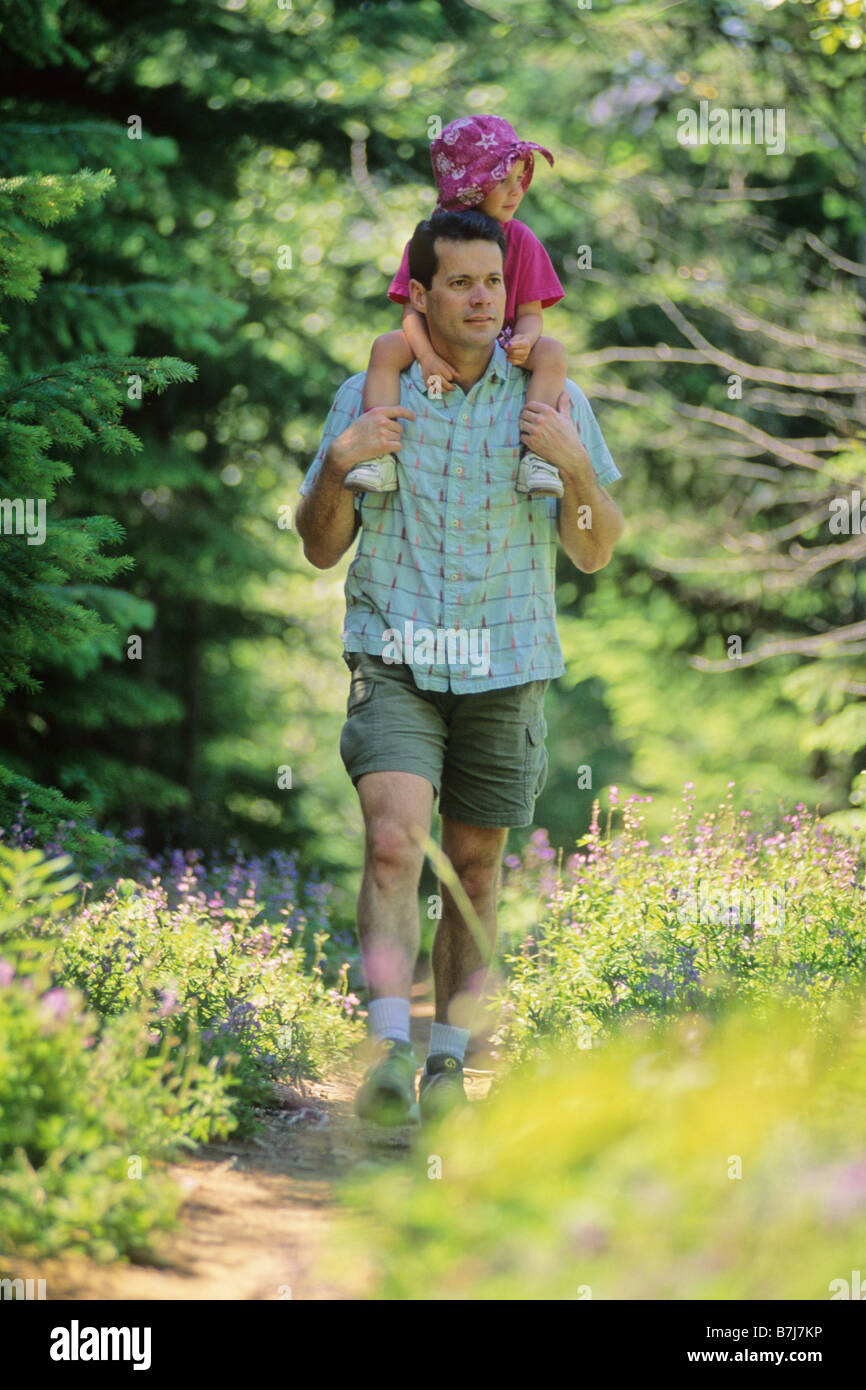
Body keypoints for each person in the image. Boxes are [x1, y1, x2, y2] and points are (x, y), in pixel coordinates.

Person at [295, 207, 623, 1127]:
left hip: (507, 663)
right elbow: (321, 549)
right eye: (462, 283)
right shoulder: (371, 391)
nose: (483, 298)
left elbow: (596, 551)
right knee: (396, 839)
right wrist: (337, 467)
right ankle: (390, 1051)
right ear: (423, 293)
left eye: (494, 282)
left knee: (474, 871)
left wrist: (578, 473)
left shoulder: (553, 401)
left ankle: (448, 1070)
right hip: (395, 652)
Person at [343, 114, 568, 500]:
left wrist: (527, 341)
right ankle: (377, 458)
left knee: (552, 353)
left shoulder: (523, 239)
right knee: (385, 346)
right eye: (503, 181)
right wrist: (427, 358)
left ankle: (538, 457)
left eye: (520, 179)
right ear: (470, 185)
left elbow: (531, 313)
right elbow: (411, 311)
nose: (516, 191)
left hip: (503, 346)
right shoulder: (432, 237)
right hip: (440, 342)